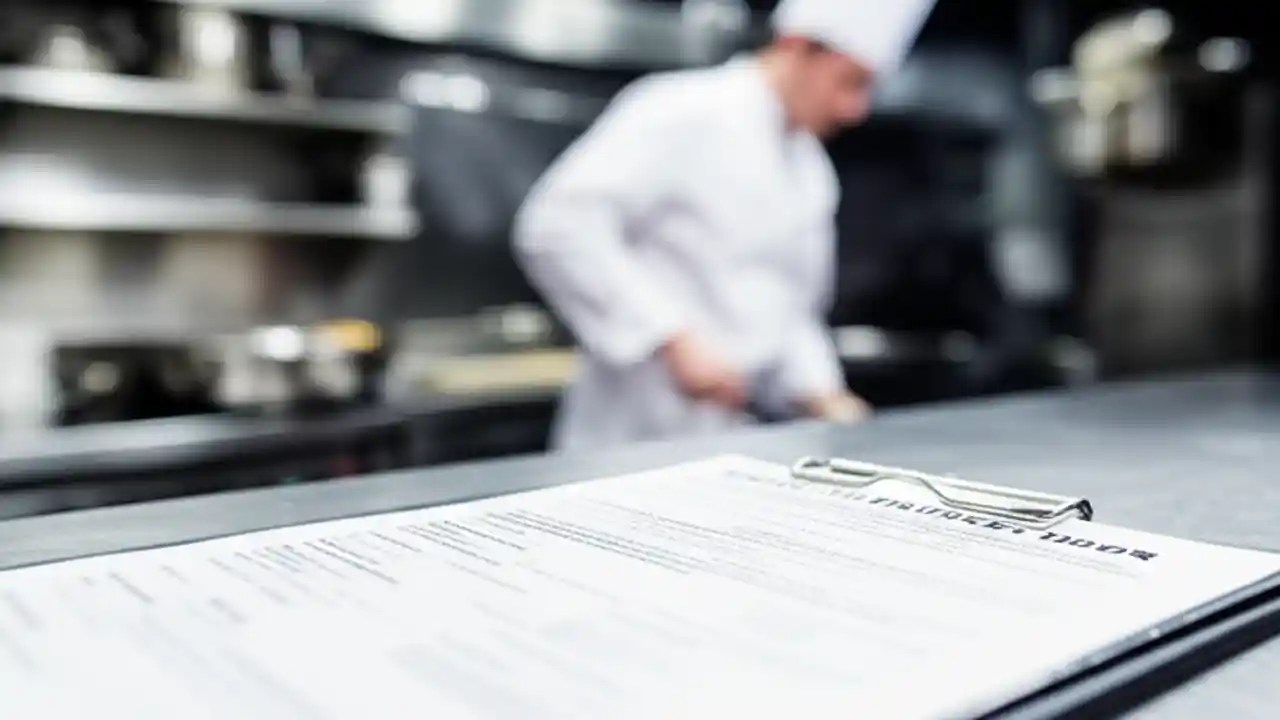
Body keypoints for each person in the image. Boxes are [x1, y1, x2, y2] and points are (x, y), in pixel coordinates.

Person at [515, 0, 936, 450]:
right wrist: (672, 340)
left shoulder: (810, 168)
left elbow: (791, 306)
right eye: (850, 82)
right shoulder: (681, 108)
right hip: (632, 431)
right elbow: (559, 225)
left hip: (738, 437)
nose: (855, 110)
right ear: (797, 47)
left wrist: (824, 395)